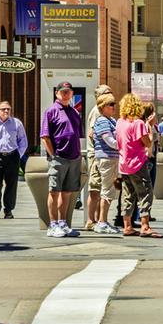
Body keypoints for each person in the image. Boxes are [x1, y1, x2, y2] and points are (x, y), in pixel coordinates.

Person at [40, 82, 83, 238]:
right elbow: (45, 136)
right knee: (54, 192)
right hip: (59, 157)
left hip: (74, 157)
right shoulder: (51, 111)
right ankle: (52, 225)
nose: (66, 94)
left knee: (66, 193)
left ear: (72, 94)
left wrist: (78, 154)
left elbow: (77, 135)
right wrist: (53, 156)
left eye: (68, 92)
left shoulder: (74, 112)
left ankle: (63, 223)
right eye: (63, 91)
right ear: (57, 93)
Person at [116, 93, 160, 238]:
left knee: (127, 194)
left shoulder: (120, 122)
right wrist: (150, 127)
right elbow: (147, 143)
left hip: (124, 164)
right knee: (145, 193)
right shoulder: (138, 124)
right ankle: (145, 226)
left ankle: (127, 226)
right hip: (137, 163)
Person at [86, 94, 120, 234]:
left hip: (111, 158)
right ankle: (101, 222)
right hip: (106, 159)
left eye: (114, 104)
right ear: (102, 107)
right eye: (111, 104)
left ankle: (103, 220)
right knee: (107, 191)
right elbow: (110, 141)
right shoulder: (102, 121)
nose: (114, 107)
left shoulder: (111, 120)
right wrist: (125, 145)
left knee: (109, 190)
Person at [82, 84, 113, 229]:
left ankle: (99, 219)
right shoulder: (97, 112)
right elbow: (92, 134)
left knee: (102, 189)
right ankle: (91, 220)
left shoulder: (105, 113)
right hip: (97, 155)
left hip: (102, 155)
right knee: (95, 188)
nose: (110, 94)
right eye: (107, 92)